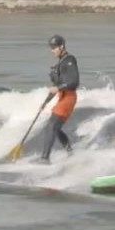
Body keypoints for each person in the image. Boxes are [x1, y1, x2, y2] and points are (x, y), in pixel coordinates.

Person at [37, 34, 80, 164]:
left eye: (55, 47)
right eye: (51, 48)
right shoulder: (60, 63)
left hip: (69, 96)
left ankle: (44, 159)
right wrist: (45, 103)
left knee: (50, 126)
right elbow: (55, 87)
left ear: (62, 46)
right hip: (63, 96)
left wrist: (59, 87)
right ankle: (70, 152)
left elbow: (74, 82)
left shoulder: (69, 60)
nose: (53, 50)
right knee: (55, 129)